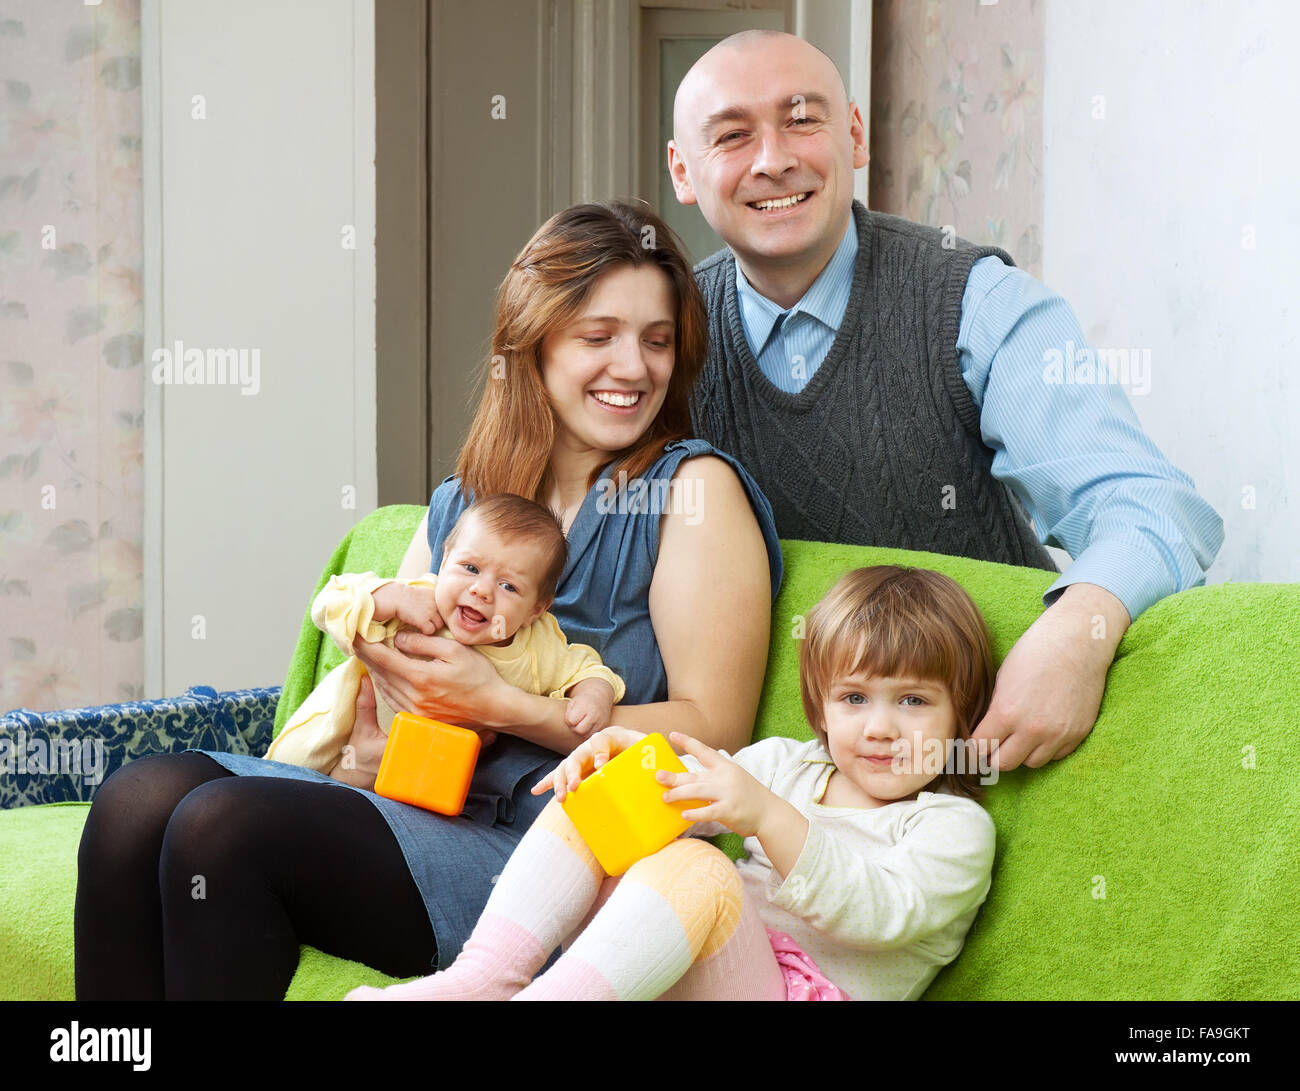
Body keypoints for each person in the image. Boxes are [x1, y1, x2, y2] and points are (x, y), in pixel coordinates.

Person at [73, 200, 784, 1000]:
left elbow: (714, 727)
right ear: (533, 342)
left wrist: (508, 706)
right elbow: (388, 647)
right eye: (598, 336)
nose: (635, 366)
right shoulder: (465, 501)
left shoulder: (692, 492)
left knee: (221, 830)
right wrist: (369, 741)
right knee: (135, 803)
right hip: (417, 799)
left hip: (554, 854)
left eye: (657, 341)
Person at [666, 30, 1224, 771]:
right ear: (682, 170)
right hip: (774, 786)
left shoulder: (977, 303)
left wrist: (1079, 630)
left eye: (803, 119)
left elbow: (1152, 505)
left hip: (992, 761)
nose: (773, 158)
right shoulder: (660, 338)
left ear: (855, 135)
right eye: (733, 135)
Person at [345, 565, 998, 1002]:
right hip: (675, 967)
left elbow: (878, 909)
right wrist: (636, 761)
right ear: (821, 706)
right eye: (855, 698)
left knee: (703, 870)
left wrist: (765, 815)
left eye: (913, 701)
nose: (880, 727)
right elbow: (685, 788)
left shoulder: (951, 826)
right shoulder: (789, 765)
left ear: (960, 711)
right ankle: (482, 978)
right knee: (603, 793)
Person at [264, 494, 624, 778]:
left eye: (509, 586)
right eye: (470, 568)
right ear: (446, 557)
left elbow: (589, 669)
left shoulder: (536, 645)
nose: (482, 591)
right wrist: (388, 597)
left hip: (415, 782)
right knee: (276, 786)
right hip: (330, 736)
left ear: (536, 609)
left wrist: (594, 697)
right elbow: (328, 605)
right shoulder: (419, 598)